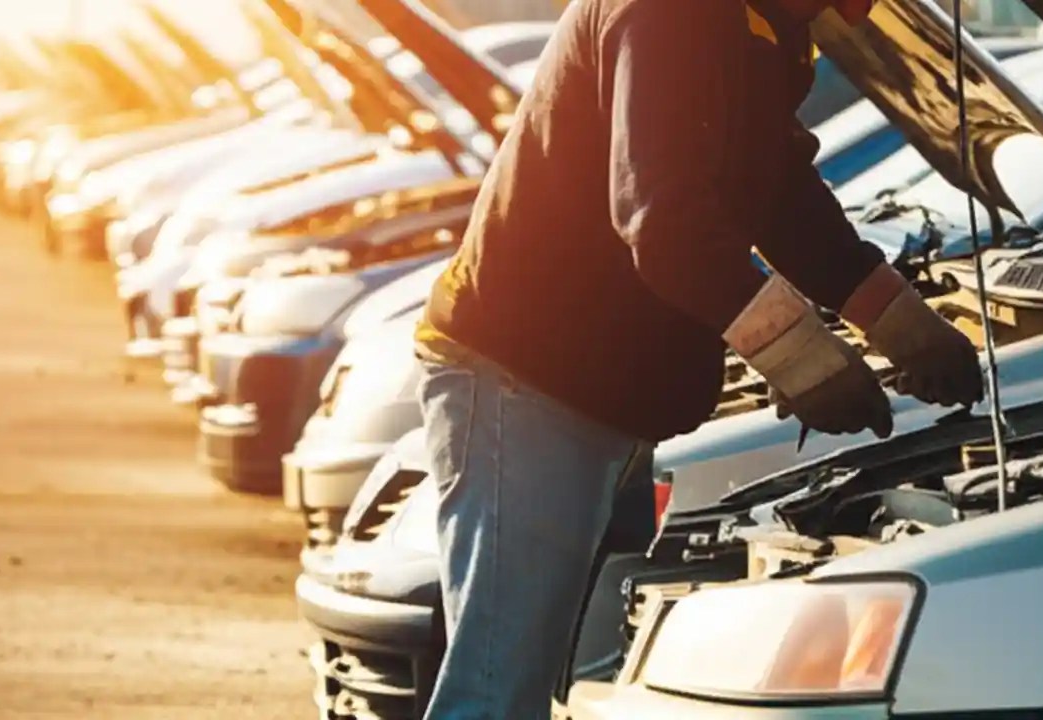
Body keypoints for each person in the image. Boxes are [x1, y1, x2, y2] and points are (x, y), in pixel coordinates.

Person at [413, 0, 983, 716]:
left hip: (604, 390)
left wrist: (904, 327)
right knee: (497, 692)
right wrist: (804, 359)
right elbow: (666, 225)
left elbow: (781, 198)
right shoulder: (667, 13)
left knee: (579, 688)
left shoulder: (767, 25)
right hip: (524, 380)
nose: (848, 10)